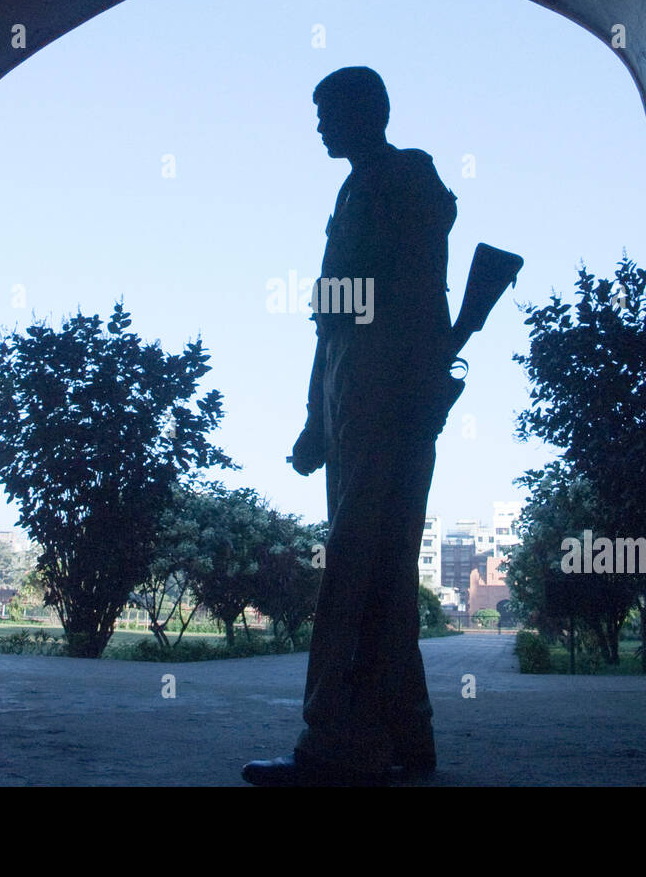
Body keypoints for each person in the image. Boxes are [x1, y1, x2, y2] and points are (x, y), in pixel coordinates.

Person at [242, 67, 457, 787]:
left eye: (330, 112)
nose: (321, 126)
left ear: (370, 112)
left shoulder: (403, 180)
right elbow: (333, 322)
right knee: (385, 566)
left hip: (384, 391)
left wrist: (405, 384)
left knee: (358, 562)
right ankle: (407, 731)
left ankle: (335, 743)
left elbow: (407, 295)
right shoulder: (363, 186)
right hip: (358, 390)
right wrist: (315, 416)